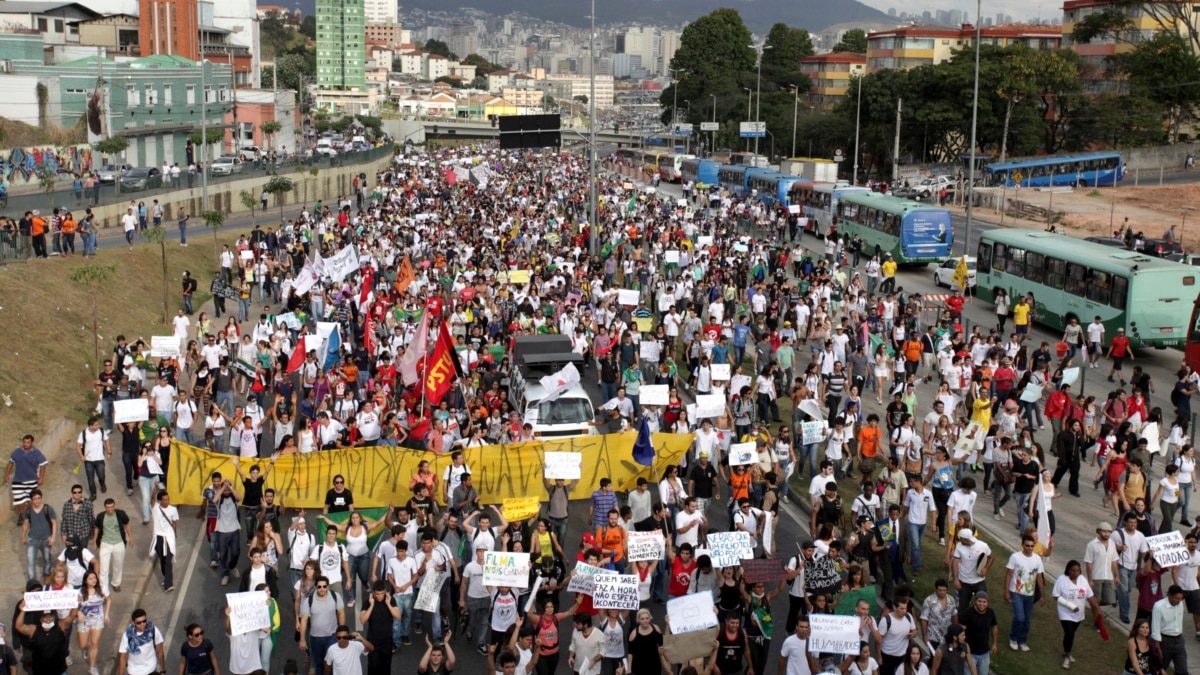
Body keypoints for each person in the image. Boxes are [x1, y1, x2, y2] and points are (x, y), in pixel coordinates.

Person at [1052, 560, 1104, 670]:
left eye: (1078, 571)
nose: (1076, 573)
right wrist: (1070, 605)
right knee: (1070, 634)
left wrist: (1098, 609)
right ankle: (1067, 656)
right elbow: (1056, 595)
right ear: (1068, 570)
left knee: (1069, 635)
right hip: (1065, 613)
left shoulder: (1082, 580)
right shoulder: (1062, 580)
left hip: (1078, 614)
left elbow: (1090, 596)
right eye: (1073, 571)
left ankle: (1066, 651)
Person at [1003, 534, 1045, 652]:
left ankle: (1022, 640)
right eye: (1027, 546)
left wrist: (1042, 595)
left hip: (1030, 594)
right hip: (1016, 592)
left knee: (1027, 619)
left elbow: (1039, 577)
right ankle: (1013, 638)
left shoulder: (1037, 559)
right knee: (1020, 617)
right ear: (1022, 545)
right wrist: (1006, 591)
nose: (1029, 548)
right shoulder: (1015, 557)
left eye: (1032, 546)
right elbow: (1009, 574)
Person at [15, 605, 75, 675]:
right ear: (40, 618)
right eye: (45, 617)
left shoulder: (61, 626)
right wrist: (22, 611)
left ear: (54, 617)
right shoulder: (33, 630)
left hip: (59, 671)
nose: (48, 619)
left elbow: (72, 616)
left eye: (50, 616)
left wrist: (75, 604)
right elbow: (19, 627)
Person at [94, 497, 133, 595]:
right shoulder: (101, 516)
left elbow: (127, 525)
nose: (110, 509)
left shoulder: (121, 514)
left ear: (114, 506)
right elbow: (97, 529)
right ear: (105, 508)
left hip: (118, 543)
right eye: (108, 507)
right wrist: (95, 542)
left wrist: (131, 537)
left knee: (118, 565)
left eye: (111, 507)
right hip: (105, 543)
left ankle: (116, 583)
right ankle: (103, 588)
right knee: (104, 567)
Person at [6, 434, 48, 519]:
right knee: (19, 499)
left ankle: (31, 514)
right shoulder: (17, 452)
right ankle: (21, 515)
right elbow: (11, 463)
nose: (25, 444)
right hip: (18, 480)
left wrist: (41, 478)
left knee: (30, 499)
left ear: (32, 442)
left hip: (31, 480)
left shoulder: (37, 453)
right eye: (24, 442)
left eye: (28, 442)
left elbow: (43, 465)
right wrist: (7, 475)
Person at [117, 609, 166, 675]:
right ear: (133, 622)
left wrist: (162, 670)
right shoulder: (127, 636)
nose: (142, 624)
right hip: (133, 672)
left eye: (144, 621)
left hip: (151, 670)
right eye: (139, 623)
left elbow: (160, 652)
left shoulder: (153, 631)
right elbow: (122, 657)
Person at [960, 592, 997, 675]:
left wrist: (995, 644)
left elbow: (994, 627)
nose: (982, 604)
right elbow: (961, 631)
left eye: (984, 602)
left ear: (987, 602)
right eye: (979, 601)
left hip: (984, 653)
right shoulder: (967, 613)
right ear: (975, 601)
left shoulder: (990, 613)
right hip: (970, 653)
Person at [150, 491, 178, 593]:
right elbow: (152, 499)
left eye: (168, 499)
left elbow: (174, 523)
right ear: (160, 501)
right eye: (164, 500)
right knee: (162, 559)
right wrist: (155, 488)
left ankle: (168, 584)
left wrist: (174, 535)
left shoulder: (173, 509)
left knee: (168, 560)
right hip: (159, 537)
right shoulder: (155, 508)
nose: (167, 501)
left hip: (169, 538)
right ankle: (166, 577)